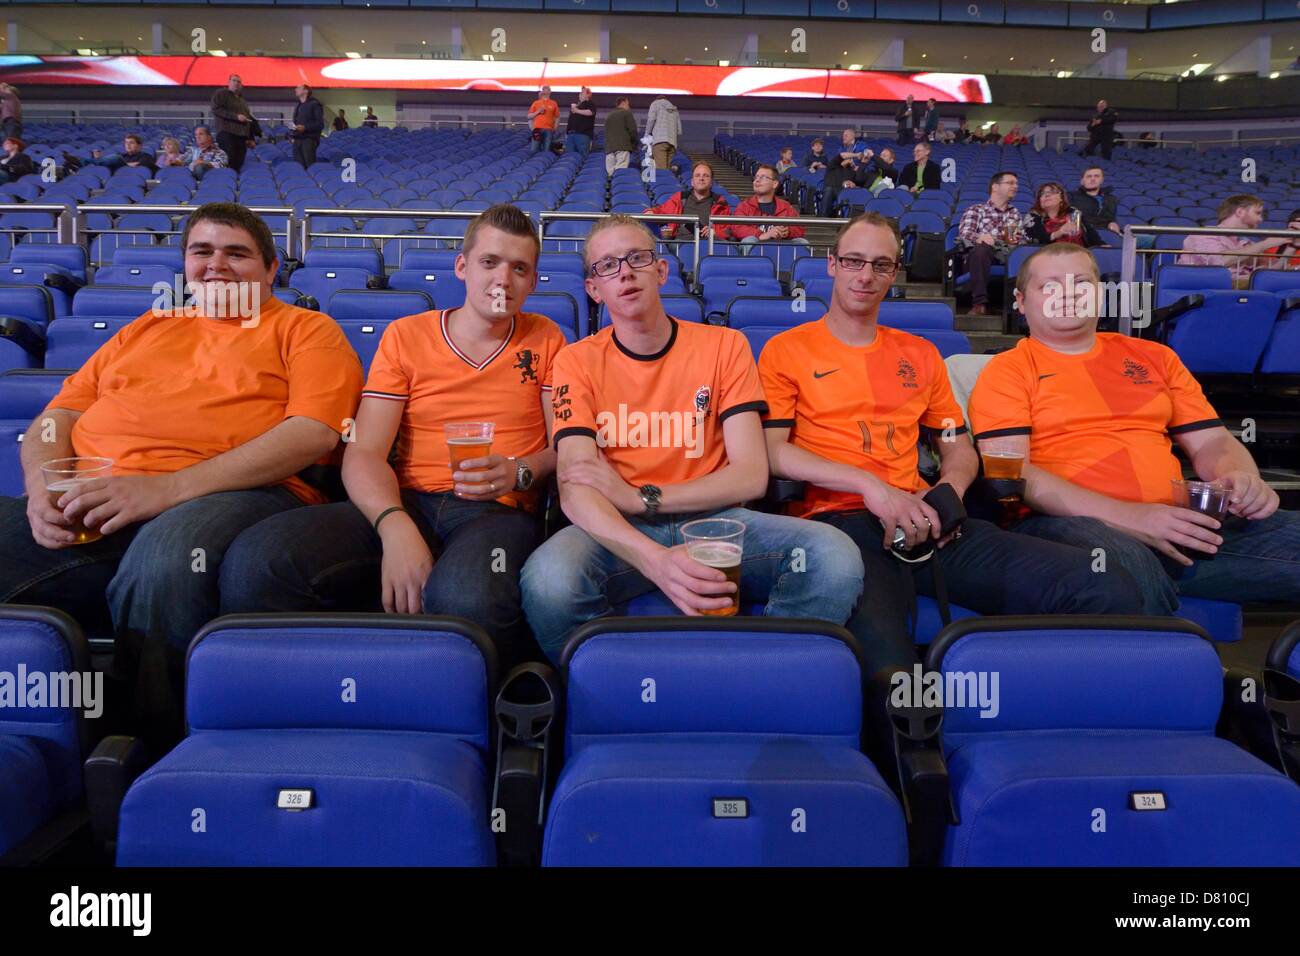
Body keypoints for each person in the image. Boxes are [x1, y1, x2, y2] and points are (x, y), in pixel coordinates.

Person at [0, 202, 363, 751]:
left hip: (234, 492)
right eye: (202, 251)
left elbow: (313, 432)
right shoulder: (149, 327)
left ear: (270, 270)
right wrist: (41, 485)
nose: (216, 264)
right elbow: (58, 416)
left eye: (236, 253)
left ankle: (155, 749)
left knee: (168, 560)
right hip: (102, 494)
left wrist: (163, 489)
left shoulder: (306, 329)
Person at [760, 214, 1143, 682]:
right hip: (841, 524)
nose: (866, 276)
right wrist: (868, 485)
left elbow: (959, 448)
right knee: (892, 675)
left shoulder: (919, 354)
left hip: (927, 519)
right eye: (854, 261)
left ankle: (1029, 715)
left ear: (895, 271)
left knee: (1104, 585)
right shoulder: (785, 349)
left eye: (881, 265)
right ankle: (912, 750)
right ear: (832, 265)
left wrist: (949, 491)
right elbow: (775, 451)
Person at [221, 205, 564, 672]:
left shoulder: (547, 338)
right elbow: (363, 452)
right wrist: (394, 524)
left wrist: (521, 470)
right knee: (257, 562)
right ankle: (310, 698)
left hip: (498, 509)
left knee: (466, 599)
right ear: (462, 267)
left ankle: (468, 724)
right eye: (490, 262)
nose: (503, 279)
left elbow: (562, 448)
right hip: (407, 499)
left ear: (533, 281)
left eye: (519, 268)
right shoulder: (407, 335)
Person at [518, 215, 865, 660]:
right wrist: (655, 560)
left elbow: (751, 475)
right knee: (547, 581)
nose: (624, 272)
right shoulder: (576, 361)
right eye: (607, 266)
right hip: (617, 530)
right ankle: (614, 689)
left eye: (637, 259)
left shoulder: (724, 346)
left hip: (716, 522)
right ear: (593, 289)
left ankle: (762, 674)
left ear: (661, 271)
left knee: (834, 556)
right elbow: (575, 488)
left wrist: (641, 498)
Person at [969, 242, 1300, 616]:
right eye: (1049, 286)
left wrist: (1240, 475)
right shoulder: (1007, 370)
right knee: (1120, 563)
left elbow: (1211, 439)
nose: (1067, 295)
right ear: (1020, 300)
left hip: (1177, 519)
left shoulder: (1154, 357)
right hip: (1064, 525)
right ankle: (1171, 657)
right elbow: (1010, 473)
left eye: (1080, 283)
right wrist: (1132, 518)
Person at [1178, 194, 1291, 286]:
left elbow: (1274, 269)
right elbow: (1220, 261)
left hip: (1242, 291)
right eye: (1257, 213)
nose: (1260, 219)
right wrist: (1266, 244)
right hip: (1204, 289)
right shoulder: (1203, 235)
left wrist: (1292, 246)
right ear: (1240, 212)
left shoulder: (1246, 242)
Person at [955, 170, 1024, 316]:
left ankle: (1019, 308)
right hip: (978, 256)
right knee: (982, 248)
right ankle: (979, 303)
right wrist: (980, 237)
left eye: (1016, 184)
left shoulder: (1014, 213)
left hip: (1003, 255)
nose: (1015, 186)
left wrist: (997, 241)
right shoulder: (976, 210)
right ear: (995, 187)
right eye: (1010, 183)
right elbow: (965, 233)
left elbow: (1011, 241)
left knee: (1020, 254)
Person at [643, 160, 732, 241]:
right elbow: (661, 210)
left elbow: (728, 230)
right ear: (692, 182)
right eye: (697, 175)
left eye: (706, 176)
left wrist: (715, 232)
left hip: (709, 244)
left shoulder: (720, 203)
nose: (701, 178)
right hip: (680, 243)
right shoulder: (680, 198)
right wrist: (650, 212)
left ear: (711, 182)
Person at [731, 164, 807, 250]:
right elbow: (737, 228)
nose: (757, 180)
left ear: (775, 184)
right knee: (749, 240)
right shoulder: (744, 206)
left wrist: (788, 231)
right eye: (756, 177)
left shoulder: (786, 207)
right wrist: (762, 235)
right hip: (758, 245)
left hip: (780, 247)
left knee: (802, 242)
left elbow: (799, 228)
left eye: (763, 177)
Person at [1022, 182, 1101, 248]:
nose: (1046, 195)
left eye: (1052, 192)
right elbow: (1034, 240)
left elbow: (1092, 235)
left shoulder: (1074, 212)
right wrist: (1058, 233)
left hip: (1079, 254)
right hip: (1047, 257)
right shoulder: (1033, 216)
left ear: (1061, 198)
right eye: (1042, 194)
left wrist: (1103, 245)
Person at [819, 128, 867, 217]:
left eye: (846, 135)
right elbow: (842, 155)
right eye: (843, 135)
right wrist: (856, 155)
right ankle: (823, 218)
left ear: (852, 136)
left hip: (844, 189)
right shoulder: (832, 165)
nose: (843, 137)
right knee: (829, 190)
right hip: (832, 188)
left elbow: (858, 180)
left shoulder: (851, 170)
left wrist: (853, 184)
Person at [210, 74, 253, 172]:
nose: (236, 83)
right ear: (228, 82)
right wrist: (236, 117)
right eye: (234, 81)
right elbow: (216, 109)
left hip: (241, 136)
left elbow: (247, 118)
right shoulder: (221, 94)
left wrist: (249, 137)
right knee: (228, 161)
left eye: (239, 82)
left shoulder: (242, 100)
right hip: (227, 133)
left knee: (238, 163)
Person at [63, 134, 156, 174]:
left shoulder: (146, 156)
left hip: (129, 175)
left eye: (131, 143)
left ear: (139, 145)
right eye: (126, 143)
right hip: (116, 174)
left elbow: (139, 166)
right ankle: (91, 162)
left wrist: (123, 164)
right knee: (66, 164)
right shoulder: (123, 155)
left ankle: (83, 162)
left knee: (115, 158)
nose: (128, 145)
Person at [291, 83, 325, 168]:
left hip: (309, 140)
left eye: (298, 88)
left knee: (309, 166)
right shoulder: (299, 105)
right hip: (298, 139)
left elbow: (320, 124)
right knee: (299, 167)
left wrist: (305, 127)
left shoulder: (314, 104)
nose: (295, 89)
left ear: (306, 90)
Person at [644, 94, 681, 171]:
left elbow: (651, 120)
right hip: (672, 143)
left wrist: (647, 134)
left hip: (659, 141)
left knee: (661, 171)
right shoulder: (674, 109)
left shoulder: (655, 104)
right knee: (667, 170)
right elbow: (679, 130)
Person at [603, 95, 638, 176]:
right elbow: (632, 130)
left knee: (611, 175)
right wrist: (634, 144)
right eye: (628, 104)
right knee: (620, 173)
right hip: (623, 147)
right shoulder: (626, 113)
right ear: (623, 103)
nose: (629, 107)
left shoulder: (609, 115)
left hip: (609, 149)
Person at [564, 86, 596, 158]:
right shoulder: (576, 106)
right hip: (571, 134)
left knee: (582, 156)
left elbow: (590, 112)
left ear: (588, 94)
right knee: (569, 156)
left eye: (583, 92)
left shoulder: (590, 104)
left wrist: (576, 110)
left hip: (583, 134)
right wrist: (567, 132)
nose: (580, 94)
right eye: (580, 92)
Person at [527, 85, 559, 155]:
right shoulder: (536, 103)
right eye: (544, 90)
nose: (546, 91)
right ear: (542, 91)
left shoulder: (554, 103)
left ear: (550, 92)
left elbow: (557, 117)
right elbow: (529, 116)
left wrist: (555, 128)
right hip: (537, 129)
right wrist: (538, 112)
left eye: (548, 90)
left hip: (549, 129)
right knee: (534, 149)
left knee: (546, 150)